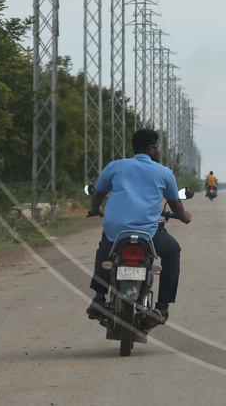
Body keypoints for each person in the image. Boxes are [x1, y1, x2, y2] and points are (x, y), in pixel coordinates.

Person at [86, 128, 190, 325]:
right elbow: (175, 203)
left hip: (115, 232)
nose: (159, 151)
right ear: (151, 149)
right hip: (147, 234)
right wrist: (184, 217)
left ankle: (99, 298)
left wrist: (95, 209)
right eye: (158, 147)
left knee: (104, 251)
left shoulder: (115, 166)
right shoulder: (164, 172)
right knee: (172, 251)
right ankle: (161, 307)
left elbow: (98, 193)